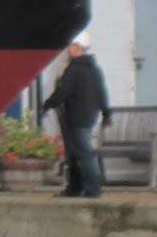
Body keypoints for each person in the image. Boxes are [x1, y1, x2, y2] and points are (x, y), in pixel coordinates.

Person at [43, 31, 111, 199]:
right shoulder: (94, 69)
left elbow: (63, 92)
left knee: (82, 153)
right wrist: (106, 115)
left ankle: (92, 190)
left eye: (70, 46)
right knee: (74, 153)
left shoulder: (73, 69)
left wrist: (46, 105)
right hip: (89, 116)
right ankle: (76, 188)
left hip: (75, 116)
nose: (68, 49)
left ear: (76, 47)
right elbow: (102, 93)